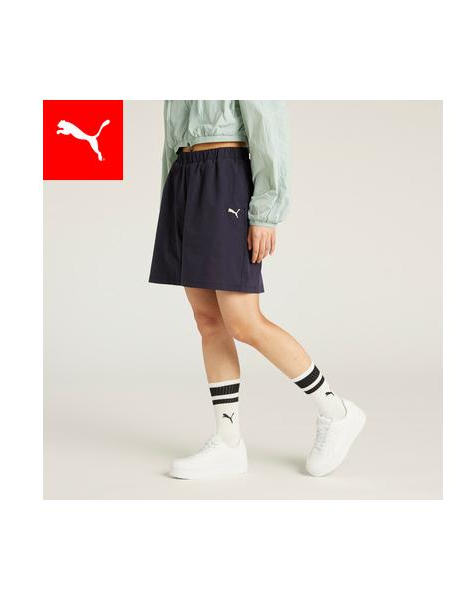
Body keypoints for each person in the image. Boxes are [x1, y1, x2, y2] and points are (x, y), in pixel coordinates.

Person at [149, 100, 366, 479]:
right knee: (208, 321)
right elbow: (172, 135)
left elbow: (268, 124)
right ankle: (228, 442)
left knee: (244, 322)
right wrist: (173, 198)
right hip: (184, 177)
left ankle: (337, 412)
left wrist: (266, 212)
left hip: (224, 175)